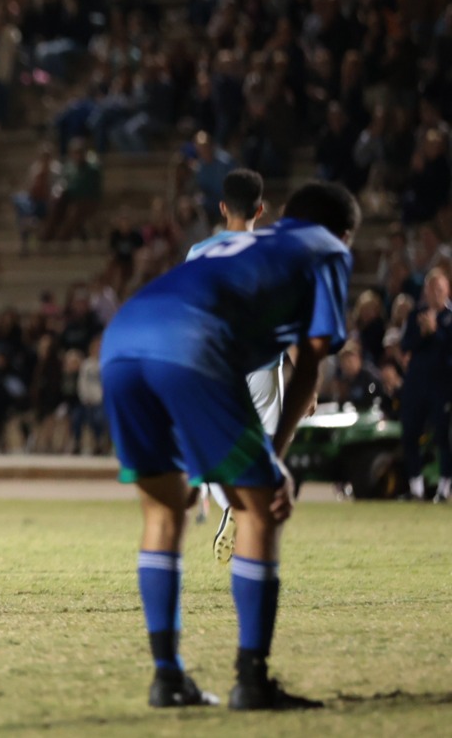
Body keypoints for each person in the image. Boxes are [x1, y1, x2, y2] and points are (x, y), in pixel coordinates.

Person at [101, 181, 357, 711]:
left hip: (124, 335)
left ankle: (168, 678)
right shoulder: (327, 248)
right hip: (192, 343)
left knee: (167, 507)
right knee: (261, 507)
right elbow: (310, 363)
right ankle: (252, 680)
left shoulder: (236, 242)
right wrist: (276, 459)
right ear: (344, 233)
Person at [185, 169, 283, 565]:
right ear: (261, 209)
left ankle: (231, 505)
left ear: (223, 207)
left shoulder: (198, 254)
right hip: (262, 365)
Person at [397, 267, 452, 501]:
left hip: (442, 386)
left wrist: (435, 332)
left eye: (439, 289)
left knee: (443, 437)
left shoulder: (450, 317)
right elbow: (406, 345)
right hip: (416, 385)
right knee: (409, 434)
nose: (435, 293)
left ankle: (443, 489)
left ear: (447, 290)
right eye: (431, 289)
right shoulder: (417, 315)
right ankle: (416, 488)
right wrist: (423, 332)